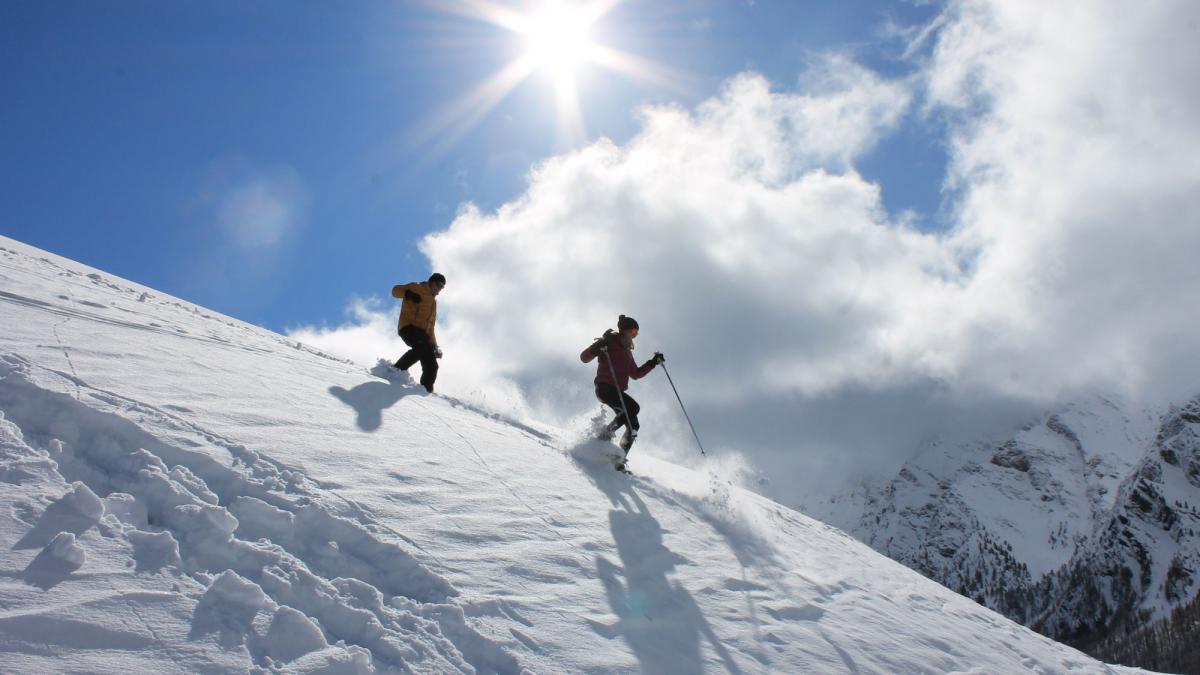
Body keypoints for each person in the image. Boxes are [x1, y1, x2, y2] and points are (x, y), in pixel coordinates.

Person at [580, 314, 664, 468]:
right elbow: (584, 357)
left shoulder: (627, 352)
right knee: (630, 410)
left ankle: (619, 456)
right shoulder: (609, 343)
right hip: (605, 388)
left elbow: (635, 374)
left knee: (634, 421)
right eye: (633, 332)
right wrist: (597, 347)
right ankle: (604, 438)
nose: (634, 336)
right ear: (624, 331)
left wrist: (652, 363)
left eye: (636, 333)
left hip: (617, 390)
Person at [391, 273, 445, 393]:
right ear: (432, 282)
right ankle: (398, 372)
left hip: (423, 334)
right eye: (439, 285)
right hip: (408, 327)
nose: (440, 290)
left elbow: (430, 327)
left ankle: (425, 390)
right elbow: (395, 291)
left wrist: (435, 346)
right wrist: (408, 293)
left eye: (442, 287)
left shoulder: (433, 303)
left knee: (432, 364)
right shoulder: (416, 287)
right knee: (421, 348)